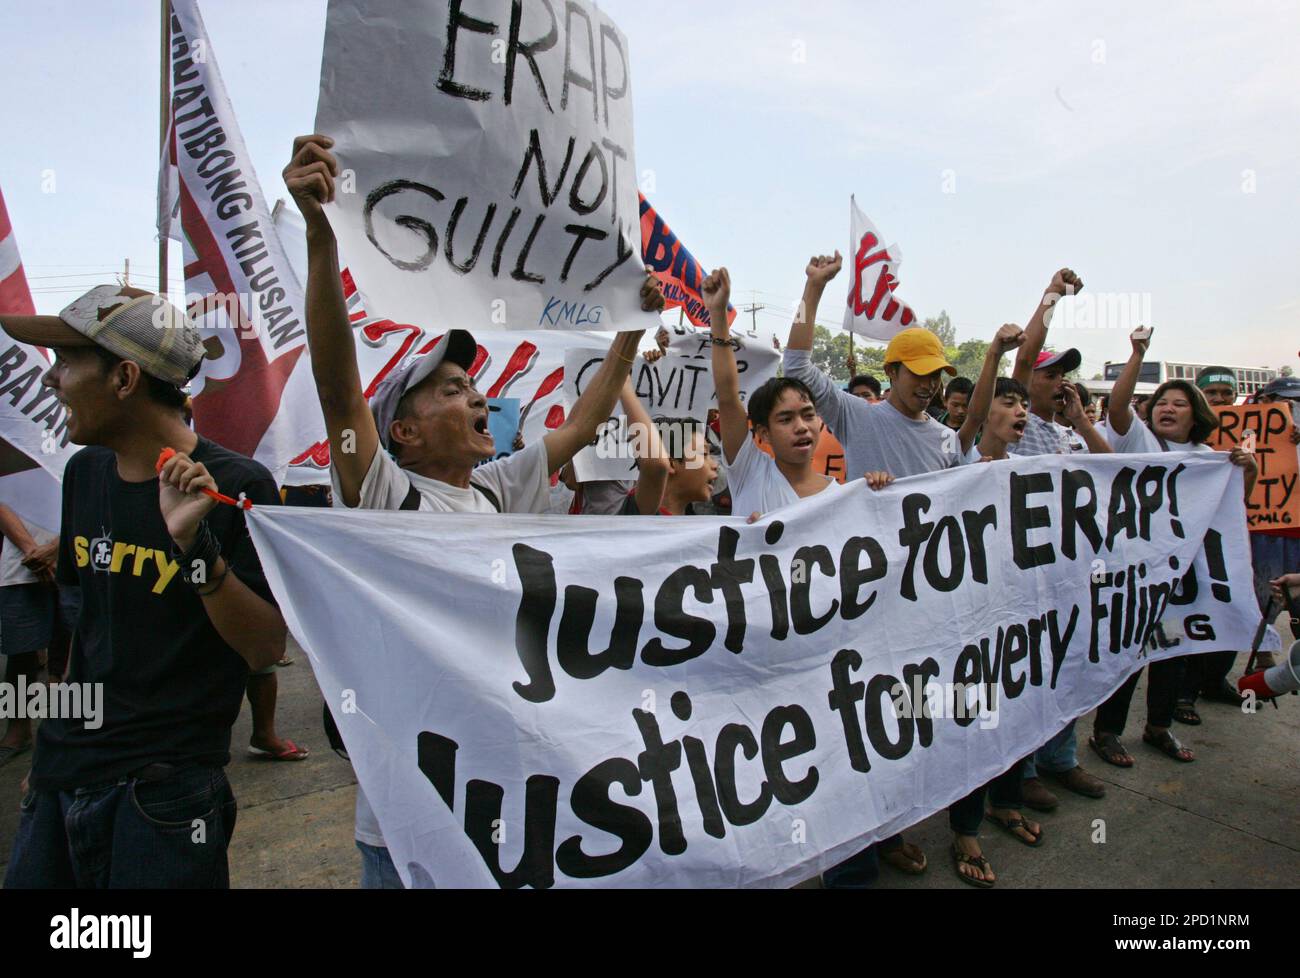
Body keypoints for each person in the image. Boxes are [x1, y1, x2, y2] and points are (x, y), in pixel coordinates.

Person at [283, 132, 666, 888]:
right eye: (452, 390)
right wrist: (321, 237)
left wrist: (628, 327)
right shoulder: (388, 497)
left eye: (474, 385)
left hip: (510, 802)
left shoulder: (494, 487)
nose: (478, 396)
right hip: (410, 821)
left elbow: (585, 425)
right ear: (404, 431)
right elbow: (337, 389)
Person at [1, 284, 286, 888]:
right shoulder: (85, 472)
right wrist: (52, 749)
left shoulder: (236, 484)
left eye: (69, 362)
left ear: (125, 378)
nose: (52, 382)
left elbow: (263, 649)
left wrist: (195, 547)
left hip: (165, 798)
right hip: (62, 780)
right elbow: (85, 630)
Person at [783, 252, 1023, 885]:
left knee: (964, 711)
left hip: (943, 602)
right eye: (916, 373)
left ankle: (962, 830)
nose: (928, 384)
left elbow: (973, 468)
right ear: (890, 372)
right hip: (875, 606)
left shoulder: (947, 440)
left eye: (937, 375)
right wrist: (812, 288)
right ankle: (882, 832)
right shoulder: (860, 416)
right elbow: (798, 367)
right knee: (880, 721)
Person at [1090, 327, 1258, 767]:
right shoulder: (1143, 441)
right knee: (1131, 654)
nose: (1167, 408)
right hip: (1137, 572)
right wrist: (1137, 354)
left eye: (1178, 404)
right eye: (1161, 402)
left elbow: (1234, 507)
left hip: (1184, 574)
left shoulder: (1209, 458)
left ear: (1195, 415)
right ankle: (1106, 732)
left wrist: (1250, 470)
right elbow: (1121, 407)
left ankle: (1158, 726)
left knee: (1174, 653)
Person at [1006, 269, 1110, 809]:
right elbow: (1023, 358)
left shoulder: (1072, 432)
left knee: (1067, 664)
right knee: (1028, 667)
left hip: (1070, 572)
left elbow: (1117, 475)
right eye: (1053, 375)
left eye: (1068, 374)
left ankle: (1061, 759)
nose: (1061, 381)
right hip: (1024, 571)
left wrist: (1082, 421)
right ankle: (1021, 769)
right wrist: (1050, 297)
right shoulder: (1016, 428)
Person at [704, 266, 891, 518]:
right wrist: (718, 316)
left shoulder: (843, 497)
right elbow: (727, 394)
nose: (801, 426)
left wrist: (883, 493)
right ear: (763, 433)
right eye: (785, 419)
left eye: (808, 414)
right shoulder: (750, 470)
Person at [0, 503, 57, 766]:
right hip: (20, 562)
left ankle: (66, 730)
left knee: (73, 652)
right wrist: (31, 550)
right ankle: (18, 731)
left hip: (74, 554)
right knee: (20, 651)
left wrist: (57, 547)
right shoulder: (14, 461)